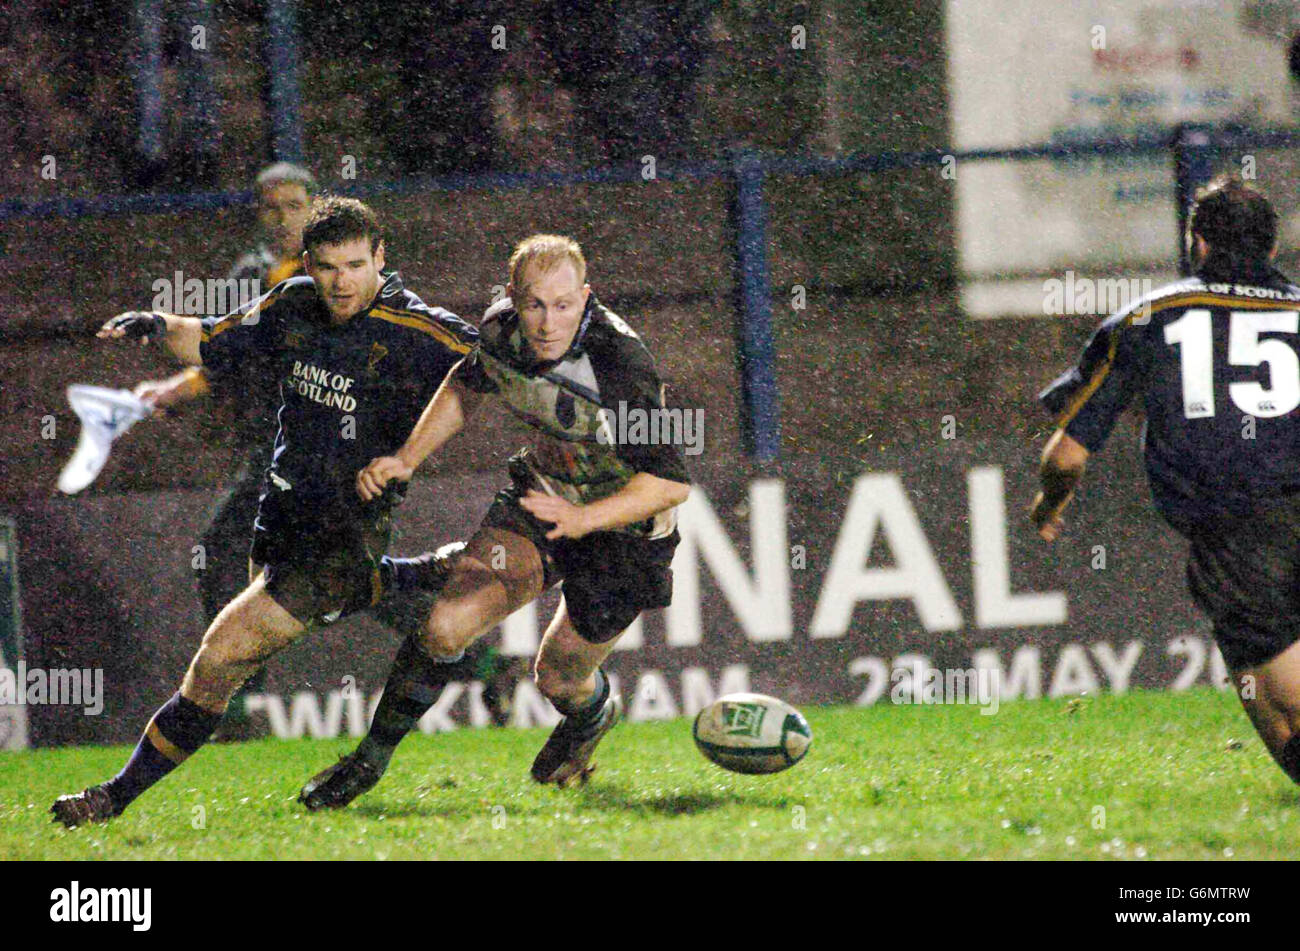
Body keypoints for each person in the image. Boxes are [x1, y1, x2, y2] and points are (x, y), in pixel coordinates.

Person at [50, 197, 478, 826]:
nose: (342, 281)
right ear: (309, 262)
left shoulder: (419, 329)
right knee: (234, 663)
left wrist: (411, 454)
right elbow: (210, 339)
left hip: (342, 528)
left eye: (357, 265)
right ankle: (409, 575)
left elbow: (492, 371)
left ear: (381, 258)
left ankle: (110, 799)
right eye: (328, 266)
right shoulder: (293, 303)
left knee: (218, 656)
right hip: (279, 516)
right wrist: (154, 322)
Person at [297, 234, 691, 809]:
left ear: (586, 297)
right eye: (534, 304)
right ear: (513, 297)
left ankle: (593, 714)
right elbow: (465, 383)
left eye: (563, 305)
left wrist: (585, 518)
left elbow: (669, 482)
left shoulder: (619, 364)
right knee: (445, 627)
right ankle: (368, 761)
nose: (548, 321)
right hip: (540, 502)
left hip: (625, 536)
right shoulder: (502, 331)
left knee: (558, 679)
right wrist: (407, 457)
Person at [1033, 174, 1300, 787]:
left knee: (1286, 723)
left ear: (1197, 244)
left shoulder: (1147, 319)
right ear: (1272, 249)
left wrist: (1049, 504)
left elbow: (1067, 456)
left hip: (1241, 536)